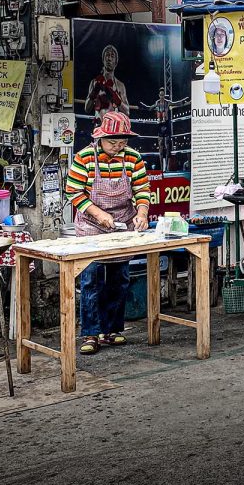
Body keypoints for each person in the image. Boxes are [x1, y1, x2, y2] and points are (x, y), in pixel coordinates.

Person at [64, 111, 151, 355]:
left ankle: (112, 330)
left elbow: (142, 189)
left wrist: (142, 213)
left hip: (123, 223)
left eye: (122, 142)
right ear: (100, 138)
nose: (117, 147)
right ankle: (90, 333)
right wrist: (98, 213)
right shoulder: (84, 158)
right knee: (91, 280)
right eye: (113, 142)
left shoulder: (133, 158)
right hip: (91, 226)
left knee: (119, 279)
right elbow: (74, 192)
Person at [86, 44, 130, 118]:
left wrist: (115, 96)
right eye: (107, 55)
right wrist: (94, 92)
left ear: (116, 62)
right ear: (103, 60)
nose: (109, 58)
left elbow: (127, 112)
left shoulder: (120, 85)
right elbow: (87, 109)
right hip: (98, 124)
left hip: (113, 124)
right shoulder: (94, 82)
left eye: (112, 56)